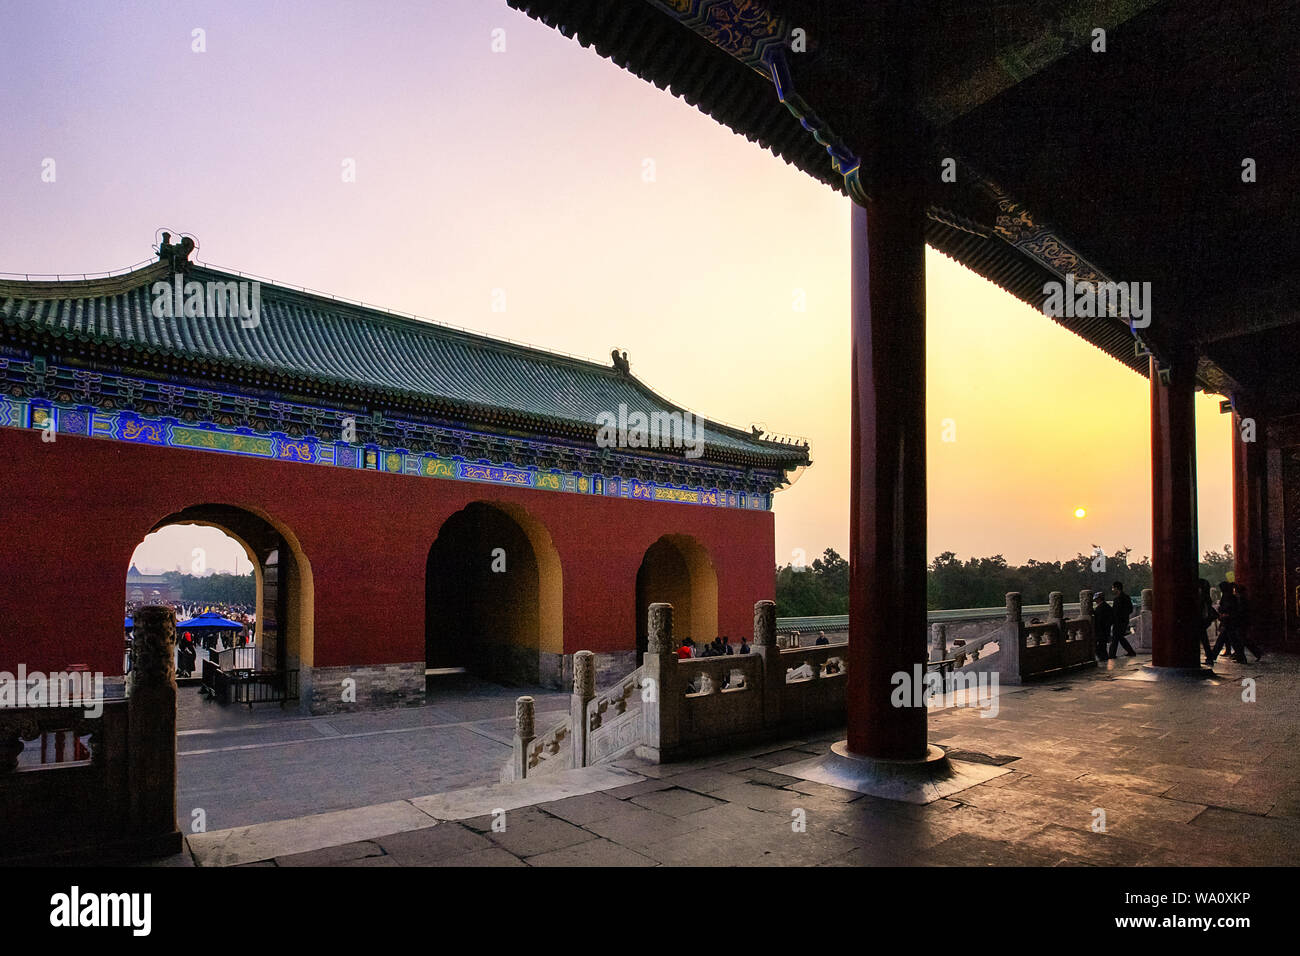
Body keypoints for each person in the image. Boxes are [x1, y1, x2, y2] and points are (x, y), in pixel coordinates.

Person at [1210, 581, 1247, 664]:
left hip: (1228, 621)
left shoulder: (1228, 597)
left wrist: (1223, 615)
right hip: (1229, 621)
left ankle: (1212, 657)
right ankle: (1241, 657)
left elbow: (1228, 609)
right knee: (1231, 641)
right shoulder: (1230, 596)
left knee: (1228, 641)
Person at [1109, 582, 1136, 658]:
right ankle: (1131, 652)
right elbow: (1130, 610)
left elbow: (1115, 612)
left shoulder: (1118, 599)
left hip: (1118, 621)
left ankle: (1111, 655)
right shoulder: (1126, 597)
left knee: (1115, 638)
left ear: (1117, 588)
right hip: (1124, 621)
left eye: (1113, 588)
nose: (1112, 590)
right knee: (1119, 637)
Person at [1197, 578, 1218, 663]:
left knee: (1203, 639)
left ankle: (1209, 657)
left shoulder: (1202, 598)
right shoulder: (1207, 597)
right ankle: (1210, 657)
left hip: (1201, 620)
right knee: (1204, 639)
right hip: (1204, 620)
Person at [1092, 591, 1113, 660]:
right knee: (1102, 647)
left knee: (1099, 647)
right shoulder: (1107, 606)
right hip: (1105, 630)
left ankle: (1103, 658)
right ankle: (1105, 658)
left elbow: (1099, 620)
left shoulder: (1100, 608)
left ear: (1099, 599)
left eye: (1096, 599)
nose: (1095, 601)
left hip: (1101, 630)